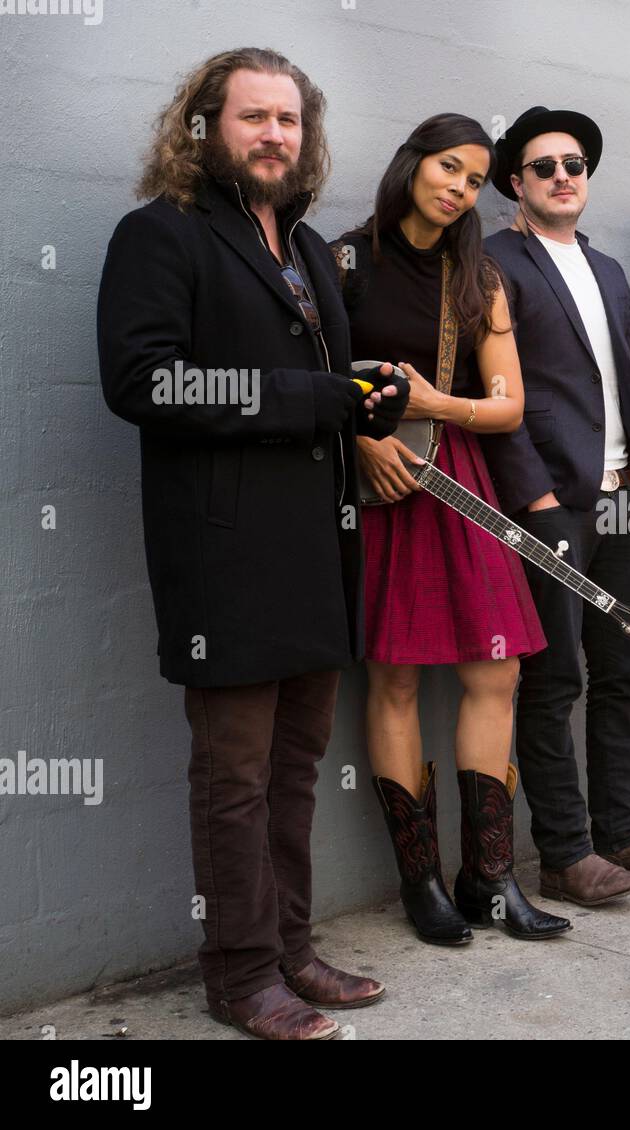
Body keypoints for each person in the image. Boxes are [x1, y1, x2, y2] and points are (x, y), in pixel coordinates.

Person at [97, 47, 410, 1039]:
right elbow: (147, 384)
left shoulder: (311, 248)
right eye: (254, 117)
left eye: (290, 120)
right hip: (225, 560)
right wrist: (317, 397)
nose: (277, 136)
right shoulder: (161, 236)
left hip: (318, 551)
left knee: (296, 767)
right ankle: (239, 975)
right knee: (232, 778)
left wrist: (366, 396)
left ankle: (291, 947)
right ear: (205, 127)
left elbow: (317, 374)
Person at [332, 113, 569, 943]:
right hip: (384, 484)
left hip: (460, 478)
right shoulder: (345, 260)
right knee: (392, 678)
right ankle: (420, 883)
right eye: (449, 168)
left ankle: (491, 877)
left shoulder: (481, 275)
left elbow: (507, 406)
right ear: (414, 163)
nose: (459, 188)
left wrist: (437, 404)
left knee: (494, 673)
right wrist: (362, 442)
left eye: (473, 179)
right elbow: (313, 379)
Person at [481, 106, 630, 906]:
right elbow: (496, 391)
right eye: (545, 166)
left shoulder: (609, 269)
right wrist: (534, 498)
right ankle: (566, 854)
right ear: (517, 182)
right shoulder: (493, 262)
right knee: (553, 680)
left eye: (575, 164)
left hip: (627, 500)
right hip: (555, 505)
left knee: (626, 667)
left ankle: (623, 831)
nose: (564, 176)